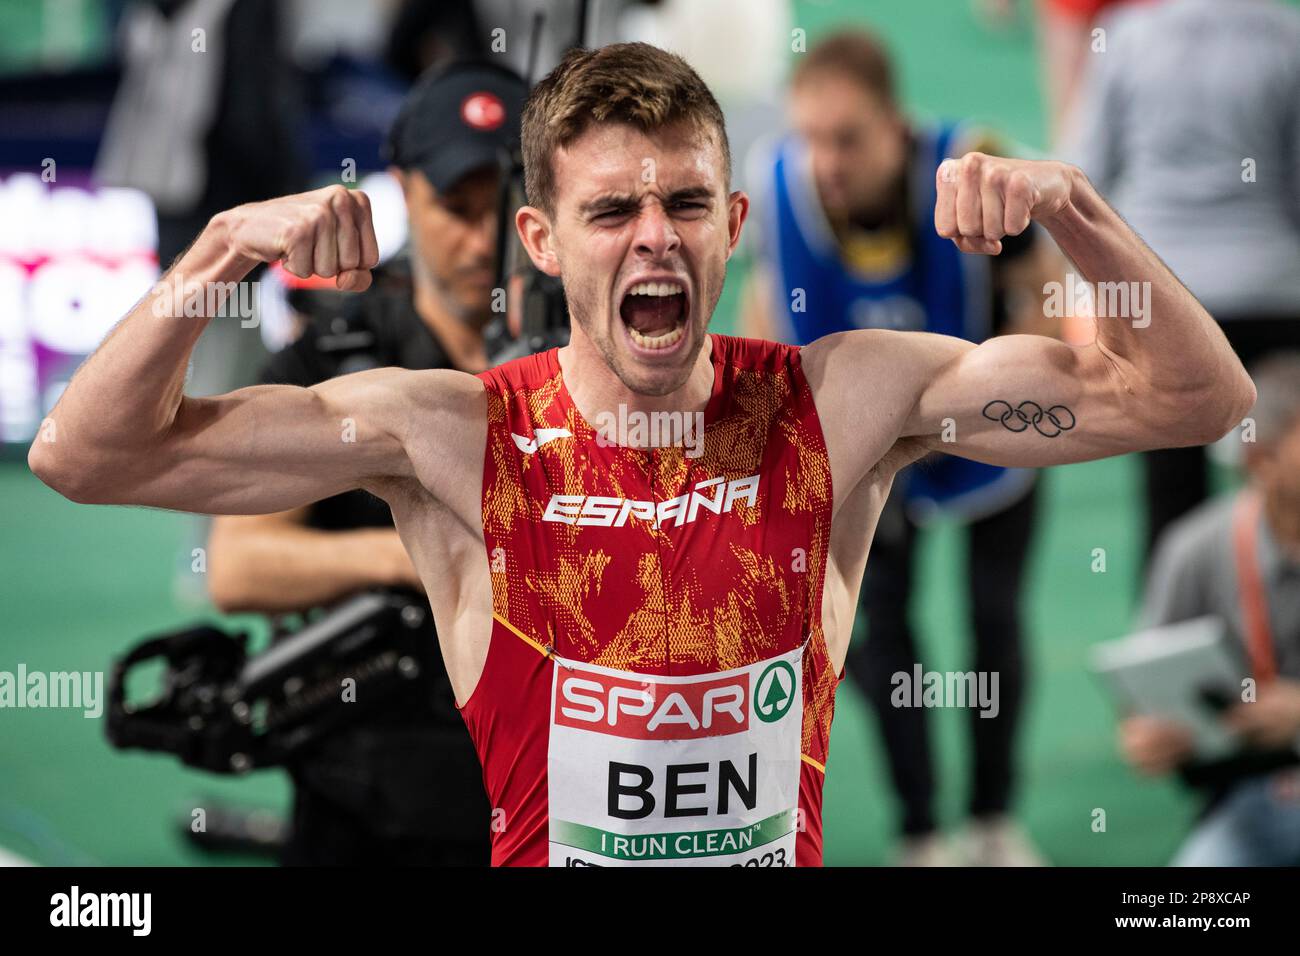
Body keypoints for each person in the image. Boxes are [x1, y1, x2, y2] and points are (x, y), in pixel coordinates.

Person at [30, 42, 1255, 867]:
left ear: (732, 223)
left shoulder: (842, 401)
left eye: (682, 205)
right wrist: (219, 251)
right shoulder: (451, 433)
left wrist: (1075, 211)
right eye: (611, 211)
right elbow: (87, 454)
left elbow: (1190, 401)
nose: (651, 240)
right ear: (543, 241)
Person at [202, 61, 528, 865]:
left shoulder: (591, 356)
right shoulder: (328, 355)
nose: (482, 240)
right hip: (367, 787)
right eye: (456, 208)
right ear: (404, 189)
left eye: (509, 207)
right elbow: (237, 567)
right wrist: (419, 557)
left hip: (549, 784)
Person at [743, 30, 1056, 865]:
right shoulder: (777, 191)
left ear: (897, 125)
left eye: (848, 137)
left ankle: (993, 821)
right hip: (868, 446)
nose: (828, 159)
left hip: (991, 430)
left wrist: (1024, 416)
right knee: (881, 637)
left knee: (994, 623)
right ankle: (921, 834)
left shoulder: (978, 169)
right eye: (812, 136)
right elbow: (774, 314)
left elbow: (1043, 297)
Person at [1062, 0, 1300, 564]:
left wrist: (1090, 294)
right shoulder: (1288, 38)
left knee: (1170, 499)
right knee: (1290, 493)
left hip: (1160, 305)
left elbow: (1082, 179)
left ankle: (1168, 644)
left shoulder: (1123, 38)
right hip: (1273, 295)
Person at [1118, 352, 1300, 866]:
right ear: (1259, 461)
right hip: (1256, 797)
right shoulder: (1196, 548)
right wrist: (1151, 735)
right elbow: (1147, 688)